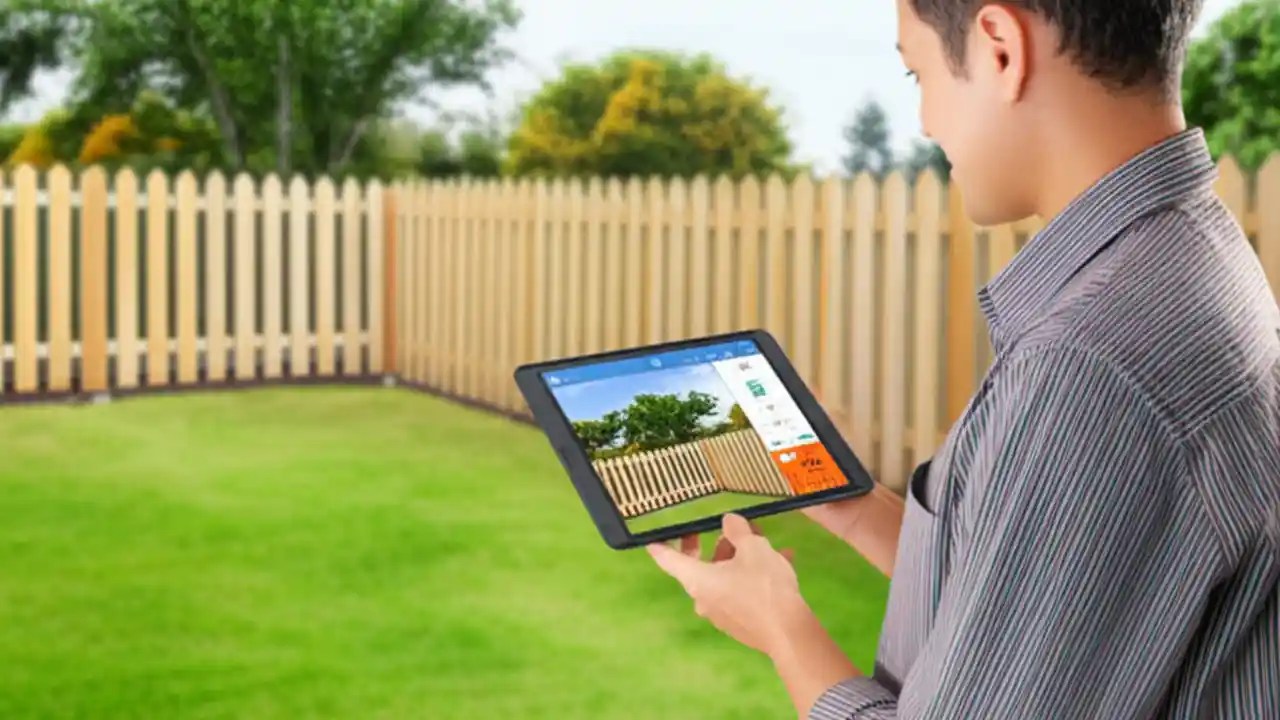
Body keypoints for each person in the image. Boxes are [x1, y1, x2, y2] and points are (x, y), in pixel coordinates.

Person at [646, 0, 1280, 717]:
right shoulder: (1187, 255)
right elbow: (1044, 603)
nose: (924, 121)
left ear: (1000, 48)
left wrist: (780, 627)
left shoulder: (1088, 369)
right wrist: (853, 506)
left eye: (917, 73)